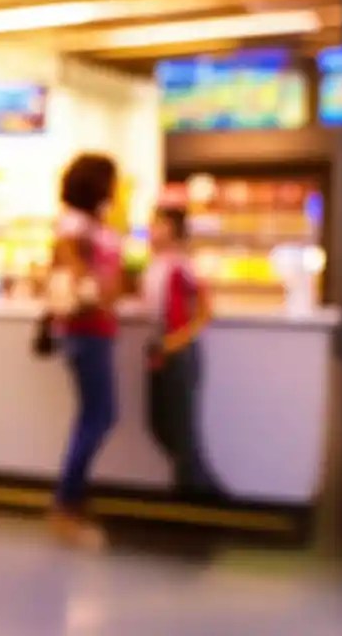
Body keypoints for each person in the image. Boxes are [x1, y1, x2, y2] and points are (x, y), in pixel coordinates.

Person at [48, 154, 122, 549]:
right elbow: (72, 264)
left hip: (95, 329)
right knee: (99, 415)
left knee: (95, 415)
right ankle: (66, 504)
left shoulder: (92, 224)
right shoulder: (75, 224)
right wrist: (98, 290)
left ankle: (72, 499)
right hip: (86, 329)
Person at [143, 207, 219, 499]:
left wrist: (178, 340)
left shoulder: (182, 266)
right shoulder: (155, 266)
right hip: (161, 351)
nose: (152, 230)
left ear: (174, 230)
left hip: (179, 352)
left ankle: (196, 494)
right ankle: (200, 490)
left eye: (159, 224)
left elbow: (205, 309)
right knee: (161, 426)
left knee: (181, 432)